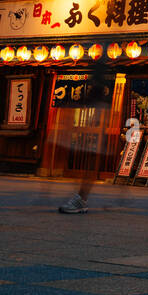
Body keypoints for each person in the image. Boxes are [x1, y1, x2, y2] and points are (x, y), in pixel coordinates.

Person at [58, 64, 114, 213]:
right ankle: (81, 198)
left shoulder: (100, 98)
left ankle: (81, 199)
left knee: (90, 162)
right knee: (90, 162)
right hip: (97, 122)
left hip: (98, 125)